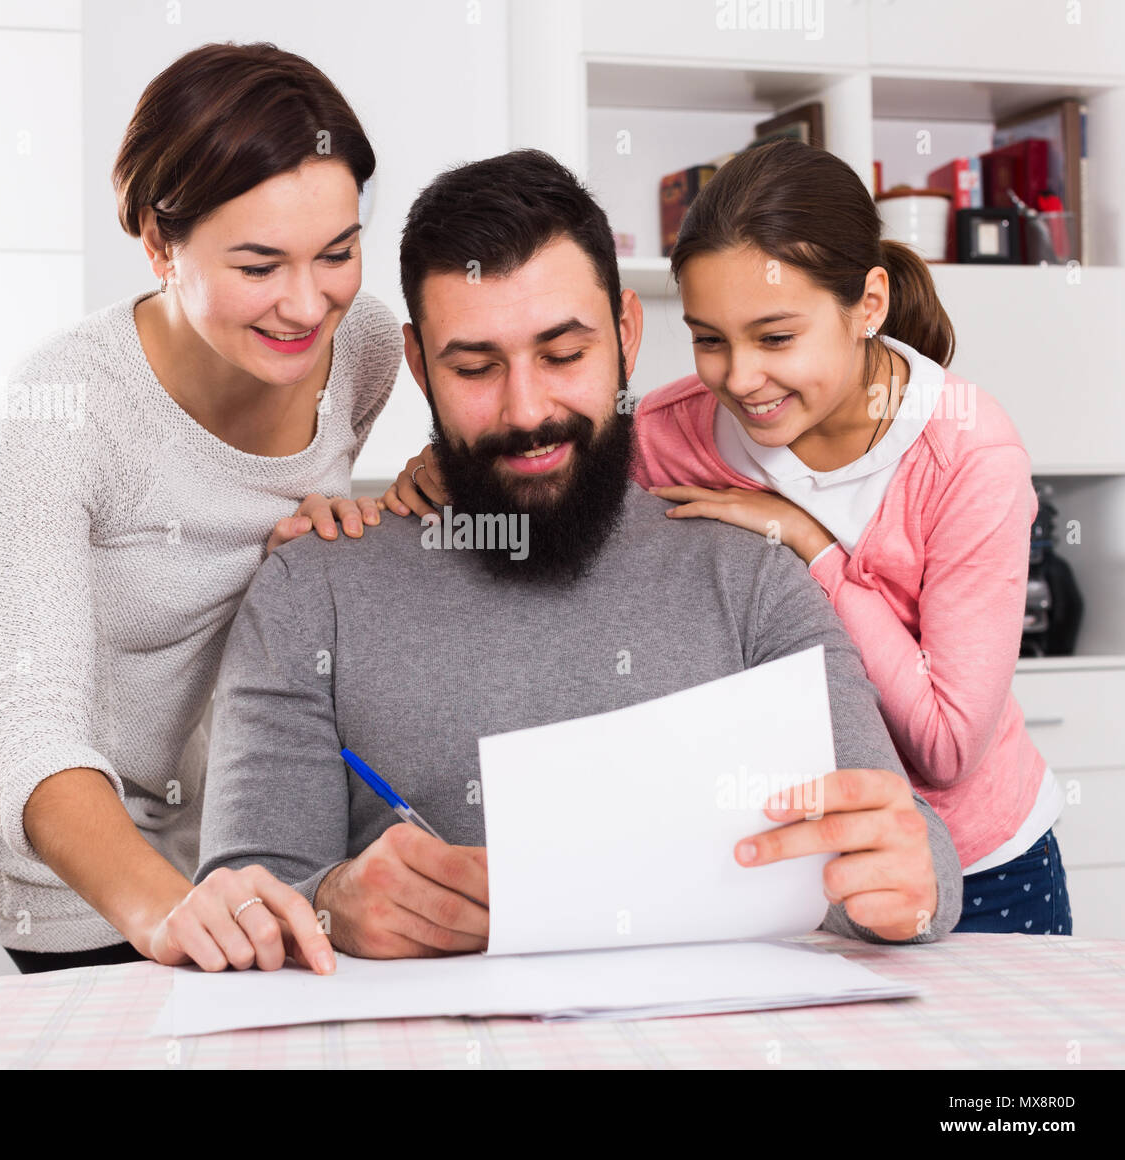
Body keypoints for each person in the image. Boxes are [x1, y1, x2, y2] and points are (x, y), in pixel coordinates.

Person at [188, 149, 962, 967]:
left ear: (627, 333)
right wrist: (328, 903)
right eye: (476, 367)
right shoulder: (314, 588)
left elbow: (919, 869)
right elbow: (243, 898)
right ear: (419, 366)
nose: (527, 411)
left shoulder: (751, 579)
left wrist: (910, 882)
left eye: (564, 355)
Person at [391, 140, 1068, 938]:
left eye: (776, 338)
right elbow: (546, 455)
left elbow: (947, 745)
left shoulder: (967, 454)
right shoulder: (676, 434)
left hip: (980, 864)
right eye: (710, 340)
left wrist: (810, 545)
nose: (741, 379)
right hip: (795, 867)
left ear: (869, 304)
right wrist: (430, 473)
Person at [0, 42, 401, 976]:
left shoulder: (364, 344)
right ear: (160, 245)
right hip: (42, 806)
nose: (308, 302)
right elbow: (31, 725)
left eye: (338, 251)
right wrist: (167, 912)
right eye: (259, 265)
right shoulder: (61, 409)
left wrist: (314, 539)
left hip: (201, 775)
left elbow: (267, 522)